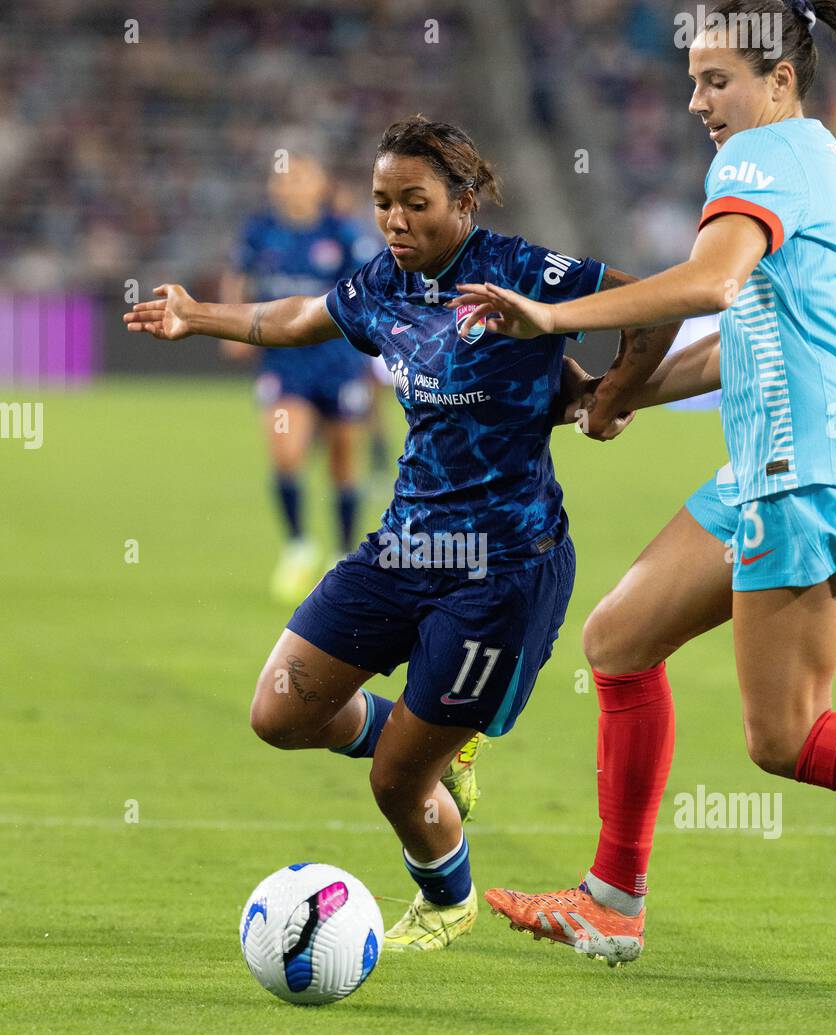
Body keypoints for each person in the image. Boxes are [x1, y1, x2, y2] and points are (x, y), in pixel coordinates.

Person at [124, 116, 680, 952]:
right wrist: (198, 316)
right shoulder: (382, 284)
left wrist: (613, 396)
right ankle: (437, 738)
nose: (394, 221)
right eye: (383, 202)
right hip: (406, 545)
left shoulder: (526, 270)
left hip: (503, 567)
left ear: (462, 201)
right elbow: (300, 316)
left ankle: (445, 896)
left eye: (413, 203)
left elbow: (651, 305)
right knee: (277, 712)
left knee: (396, 780)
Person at [449, 0, 836, 965]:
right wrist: (618, 392)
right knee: (618, 638)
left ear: (777, 80)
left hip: (798, 471)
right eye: (690, 82)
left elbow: (709, 284)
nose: (696, 102)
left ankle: (611, 899)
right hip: (779, 464)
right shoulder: (817, 167)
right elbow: (736, 335)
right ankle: (609, 901)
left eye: (715, 80)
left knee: (782, 736)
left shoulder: (758, 159)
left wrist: (555, 321)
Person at [220, 153, 380, 603]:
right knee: (285, 452)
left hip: (338, 361)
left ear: (320, 184)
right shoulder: (260, 231)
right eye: (283, 178)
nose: (290, 185)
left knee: (343, 459)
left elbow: (372, 283)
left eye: (301, 177)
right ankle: (297, 545)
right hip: (284, 362)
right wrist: (234, 324)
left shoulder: (342, 232)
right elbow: (237, 275)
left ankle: (343, 554)